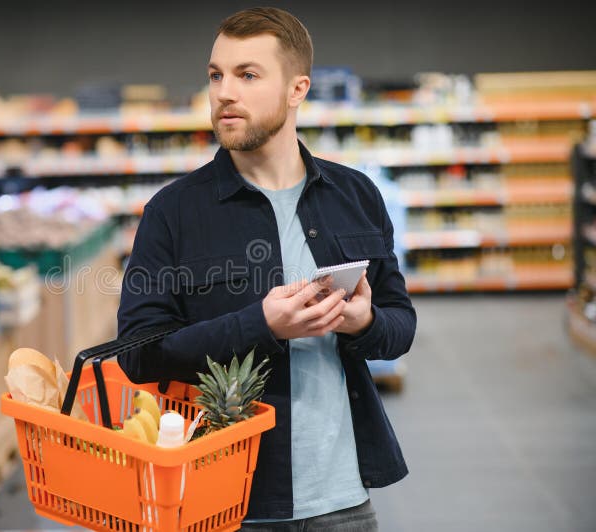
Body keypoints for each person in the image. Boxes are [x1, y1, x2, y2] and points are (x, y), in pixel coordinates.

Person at [117, 7, 416, 531]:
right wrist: (261, 326)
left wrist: (364, 323)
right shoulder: (172, 214)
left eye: (247, 75)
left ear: (297, 89)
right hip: (224, 503)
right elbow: (139, 354)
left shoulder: (355, 196)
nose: (223, 93)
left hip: (343, 500)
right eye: (216, 75)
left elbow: (401, 325)